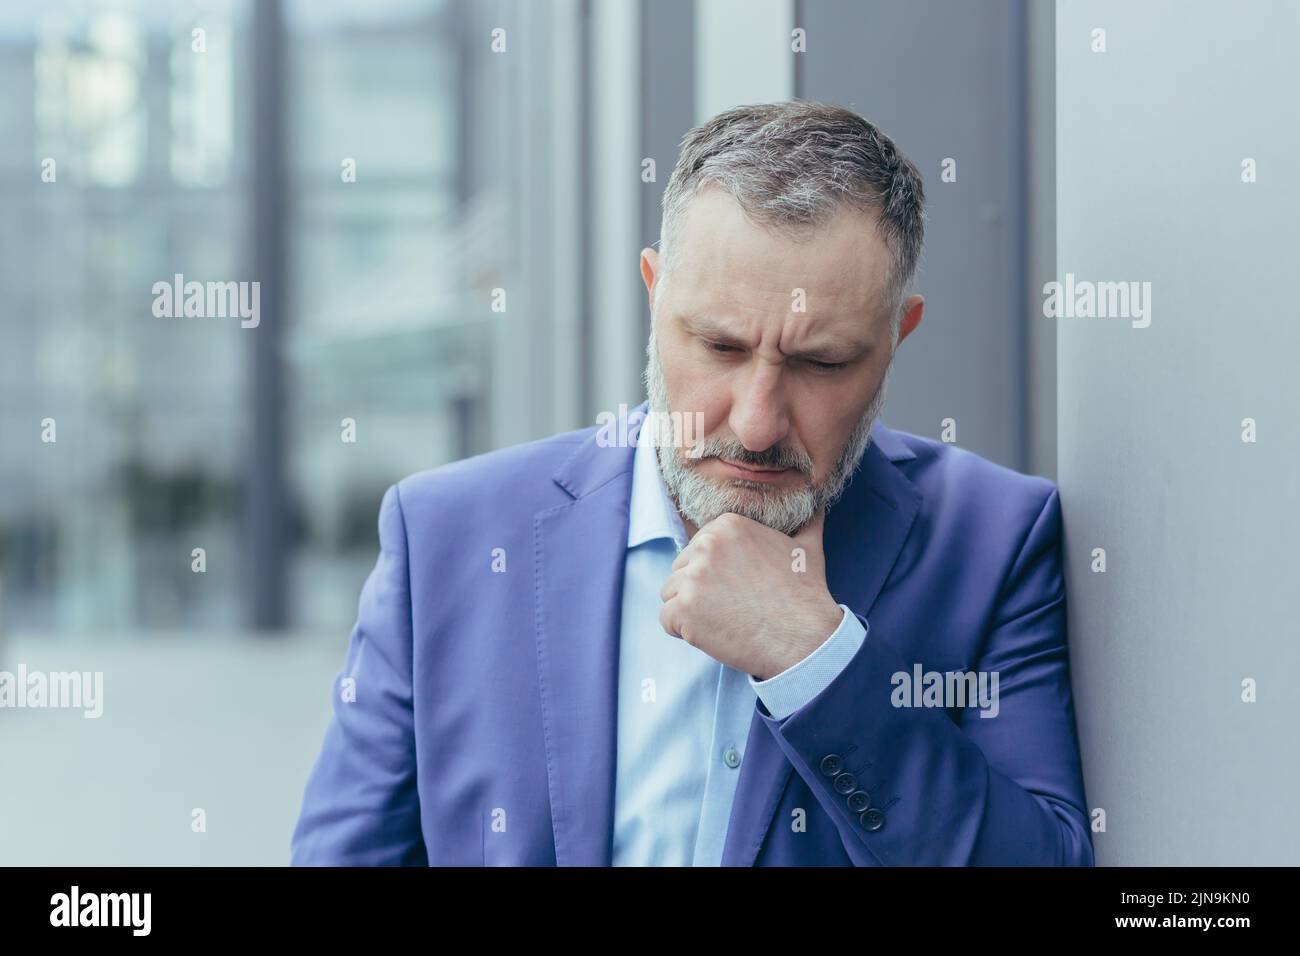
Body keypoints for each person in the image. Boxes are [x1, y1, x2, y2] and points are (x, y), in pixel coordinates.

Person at [291, 101, 1092, 866]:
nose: (755, 424)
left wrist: (816, 661)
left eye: (821, 362)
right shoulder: (446, 536)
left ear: (896, 335)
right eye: (719, 345)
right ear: (654, 292)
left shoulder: (996, 541)